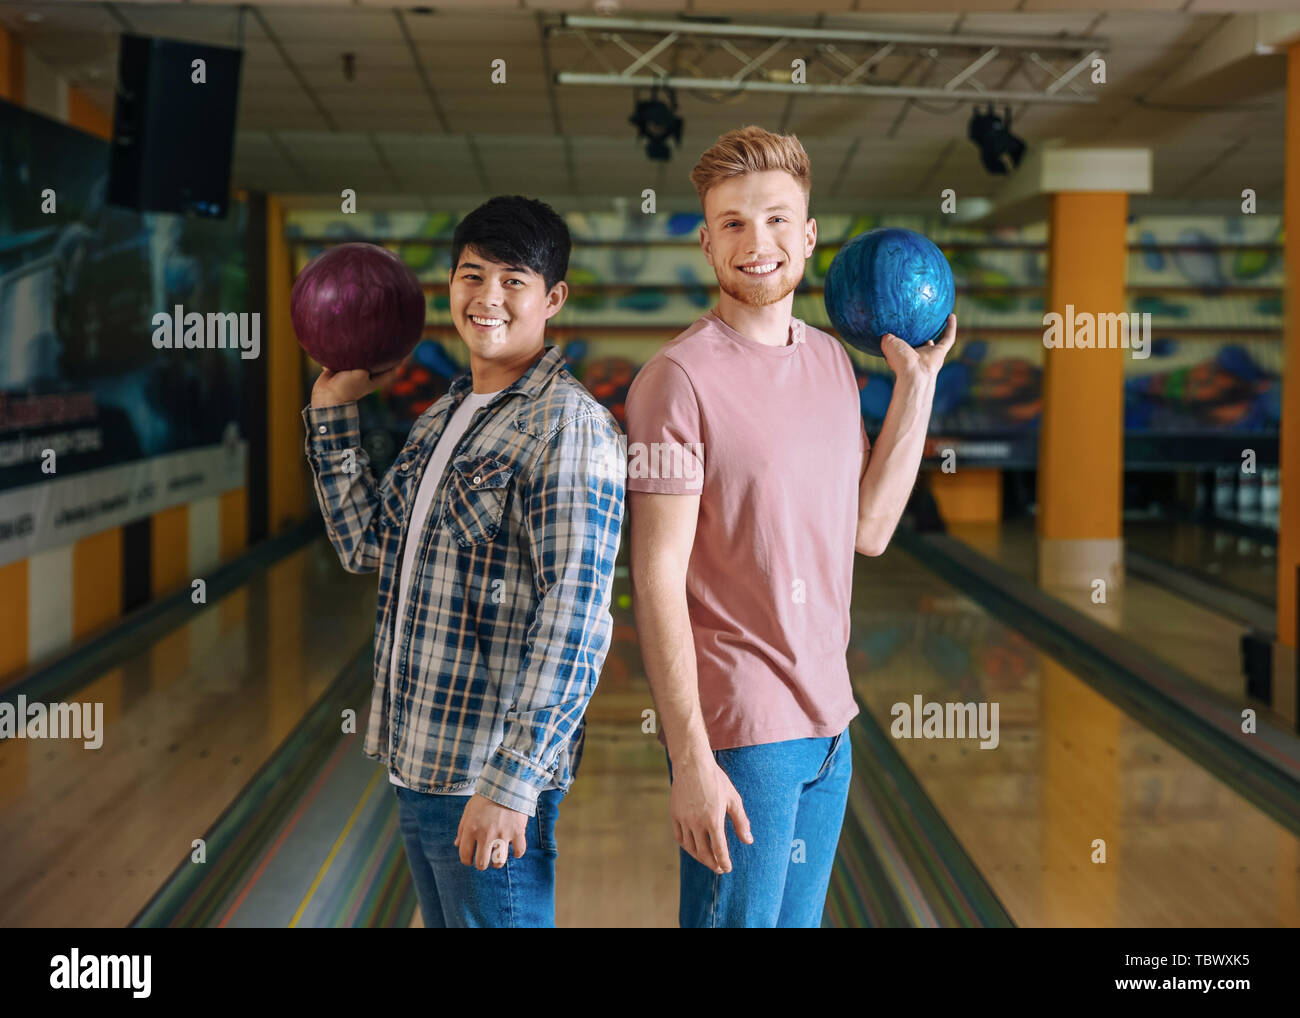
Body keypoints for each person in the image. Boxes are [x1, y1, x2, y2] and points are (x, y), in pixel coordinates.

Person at [624, 125, 955, 928]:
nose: (756, 241)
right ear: (706, 243)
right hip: (743, 733)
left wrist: (917, 388)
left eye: (776, 219)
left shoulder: (831, 362)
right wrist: (693, 759)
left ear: (809, 237)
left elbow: (870, 529)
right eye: (732, 223)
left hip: (831, 724)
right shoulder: (675, 381)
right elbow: (656, 577)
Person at [303, 195, 626, 927]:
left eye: (514, 280)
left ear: (553, 298)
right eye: (472, 275)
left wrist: (513, 783)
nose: (488, 297)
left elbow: (575, 620)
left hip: (487, 774)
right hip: (417, 761)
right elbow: (367, 546)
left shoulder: (568, 427)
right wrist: (331, 408)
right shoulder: (442, 416)